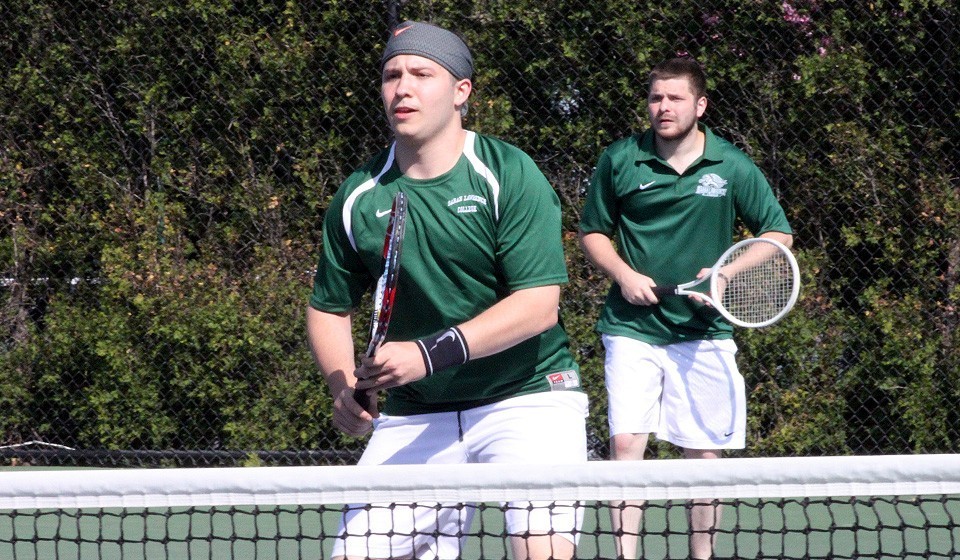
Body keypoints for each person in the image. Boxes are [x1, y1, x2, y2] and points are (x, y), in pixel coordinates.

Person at [306, 20, 588, 560]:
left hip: (528, 397)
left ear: (461, 92)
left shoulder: (508, 173)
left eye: (421, 73)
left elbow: (538, 306)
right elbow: (328, 308)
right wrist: (344, 387)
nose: (403, 88)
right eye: (391, 75)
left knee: (542, 552)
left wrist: (427, 354)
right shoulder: (359, 196)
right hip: (416, 414)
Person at [578, 57, 794, 560]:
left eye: (675, 98)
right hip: (631, 328)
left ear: (700, 105)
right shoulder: (620, 160)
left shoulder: (732, 165)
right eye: (656, 98)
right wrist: (625, 276)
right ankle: (626, 555)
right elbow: (592, 232)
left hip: (705, 330)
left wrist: (722, 277)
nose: (663, 107)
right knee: (627, 444)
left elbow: (777, 233)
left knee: (702, 454)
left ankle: (702, 555)